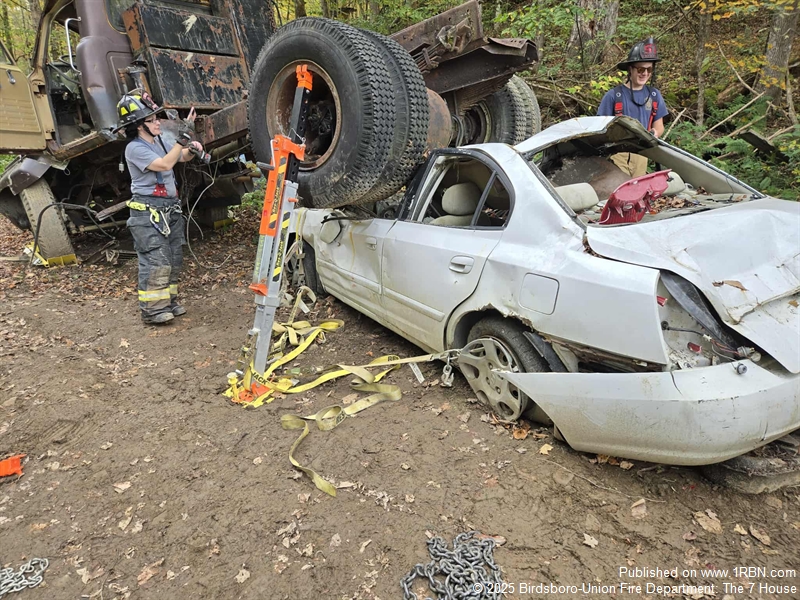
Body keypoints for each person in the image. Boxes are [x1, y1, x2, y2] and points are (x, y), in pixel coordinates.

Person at [115, 92, 204, 325]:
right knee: (156, 260)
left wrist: (191, 149)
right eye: (152, 120)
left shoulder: (160, 141)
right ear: (138, 125)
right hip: (148, 213)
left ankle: (168, 302)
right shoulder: (134, 148)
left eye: (156, 118)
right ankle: (152, 310)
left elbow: (178, 157)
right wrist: (182, 140)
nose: (157, 122)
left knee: (173, 259)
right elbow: (164, 164)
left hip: (169, 209)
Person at [598, 37, 669, 177]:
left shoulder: (654, 95)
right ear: (630, 69)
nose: (645, 74)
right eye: (641, 69)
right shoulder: (613, 96)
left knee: (638, 189)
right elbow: (599, 130)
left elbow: (659, 126)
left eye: (649, 69)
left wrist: (654, 133)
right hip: (616, 155)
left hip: (642, 155)